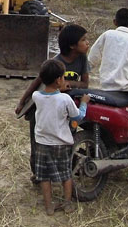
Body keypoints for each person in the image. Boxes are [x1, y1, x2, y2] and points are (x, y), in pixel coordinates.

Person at [15, 24, 90, 184]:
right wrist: (22, 102)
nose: (87, 43)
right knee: (39, 142)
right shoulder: (55, 63)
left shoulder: (82, 59)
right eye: (83, 40)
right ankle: (38, 172)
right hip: (46, 107)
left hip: (66, 107)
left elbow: (85, 84)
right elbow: (37, 82)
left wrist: (69, 83)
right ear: (72, 46)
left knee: (67, 138)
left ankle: (64, 170)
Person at [31, 59, 89, 215]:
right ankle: (67, 204)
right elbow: (78, 117)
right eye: (63, 77)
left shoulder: (37, 96)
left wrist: (58, 89)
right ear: (59, 80)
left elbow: (48, 97)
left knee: (44, 177)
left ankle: (49, 207)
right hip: (61, 143)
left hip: (42, 143)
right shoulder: (65, 99)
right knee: (66, 175)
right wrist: (84, 103)